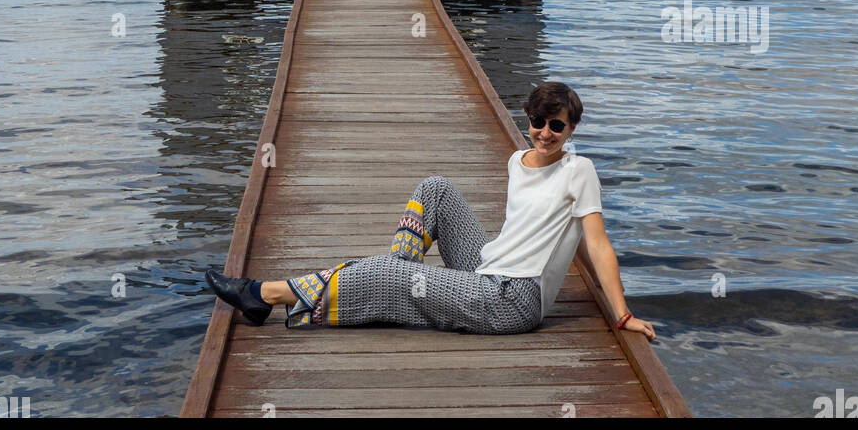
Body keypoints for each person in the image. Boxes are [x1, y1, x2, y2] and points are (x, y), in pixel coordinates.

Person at [204, 81, 656, 340]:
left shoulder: (580, 171)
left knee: (388, 277)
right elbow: (556, 232)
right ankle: (393, 275)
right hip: (488, 266)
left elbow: (594, 243)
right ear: (529, 119)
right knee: (435, 188)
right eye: (538, 122)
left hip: (513, 300)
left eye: (557, 125)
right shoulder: (516, 162)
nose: (544, 132)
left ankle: (265, 296)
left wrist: (620, 314)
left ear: (571, 128)